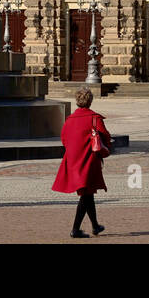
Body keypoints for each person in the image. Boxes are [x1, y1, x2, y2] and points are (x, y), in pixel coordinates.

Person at [52, 88, 112, 237]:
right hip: (89, 160)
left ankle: (95, 226)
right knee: (86, 194)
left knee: (88, 192)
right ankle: (75, 229)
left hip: (73, 160)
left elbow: (64, 139)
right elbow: (106, 136)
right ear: (90, 101)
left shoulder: (69, 119)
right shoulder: (94, 118)